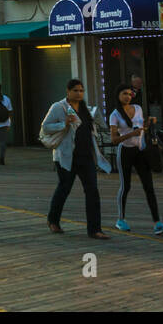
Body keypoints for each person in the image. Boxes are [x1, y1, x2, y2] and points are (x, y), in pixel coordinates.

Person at [43, 79, 111, 239]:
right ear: (68, 91)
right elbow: (45, 127)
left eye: (81, 91)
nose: (79, 93)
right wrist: (63, 124)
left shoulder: (87, 110)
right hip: (66, 156)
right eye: (75, 90)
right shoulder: (58, 108)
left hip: (86, 156)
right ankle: (53, 220)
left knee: (92, 191)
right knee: (64, 188)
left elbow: (98, 127)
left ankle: (95, 229)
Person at [109, 84, 163, 235]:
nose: (128, 97)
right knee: (126, 186)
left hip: (141, 150)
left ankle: (157, 223)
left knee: (149, 186)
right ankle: (120, 219)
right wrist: (132, 134)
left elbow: (141, 127)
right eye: (124, 94)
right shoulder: (115, 114)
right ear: (118, 95)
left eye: (130, 94)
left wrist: (148, 123)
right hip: (125, 151)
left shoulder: (137, 108)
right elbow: (114, 140)